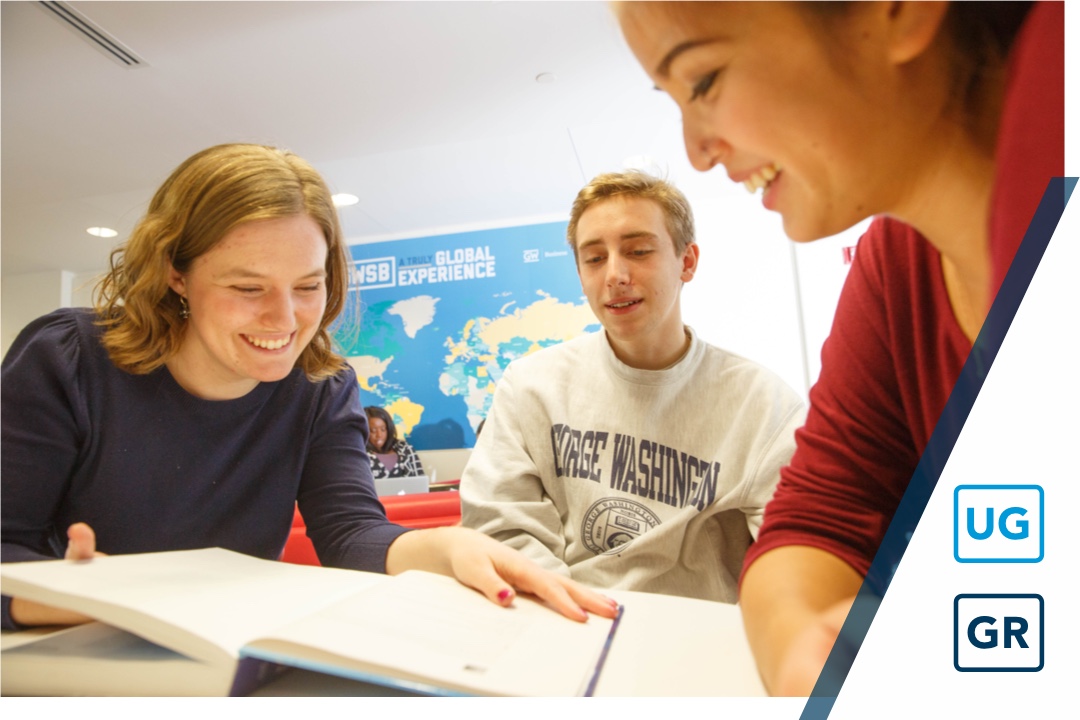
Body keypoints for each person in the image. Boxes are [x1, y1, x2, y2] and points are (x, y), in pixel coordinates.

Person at [614, 0, 1063, 695]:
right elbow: (817, 518)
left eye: (702, 81)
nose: (698, 152)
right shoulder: (896, 267)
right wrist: (806, 649)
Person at [0, 143, 618, 631]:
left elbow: (351, 533)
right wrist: (69, 592)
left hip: (226, 659)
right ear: (176, 275)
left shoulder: (321, 387)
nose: (286, 320)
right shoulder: (69, 359)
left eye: (307, 285)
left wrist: (448, 548)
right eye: (248, 288)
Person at [459, 171, 805, 603]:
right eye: (594, 259)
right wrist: (575, 615)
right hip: (565, 621)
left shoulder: (762, 404)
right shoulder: (530, 387)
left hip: (696, 640)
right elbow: (502, 529)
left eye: (638, 251)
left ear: (688, 261)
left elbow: (800, 556)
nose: (615, 275)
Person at [364, 406, 424, 479]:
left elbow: (420, 479)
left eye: (383, 429)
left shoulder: (404, 448)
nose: (379, 435)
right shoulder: (358, 452)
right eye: (373, 431)